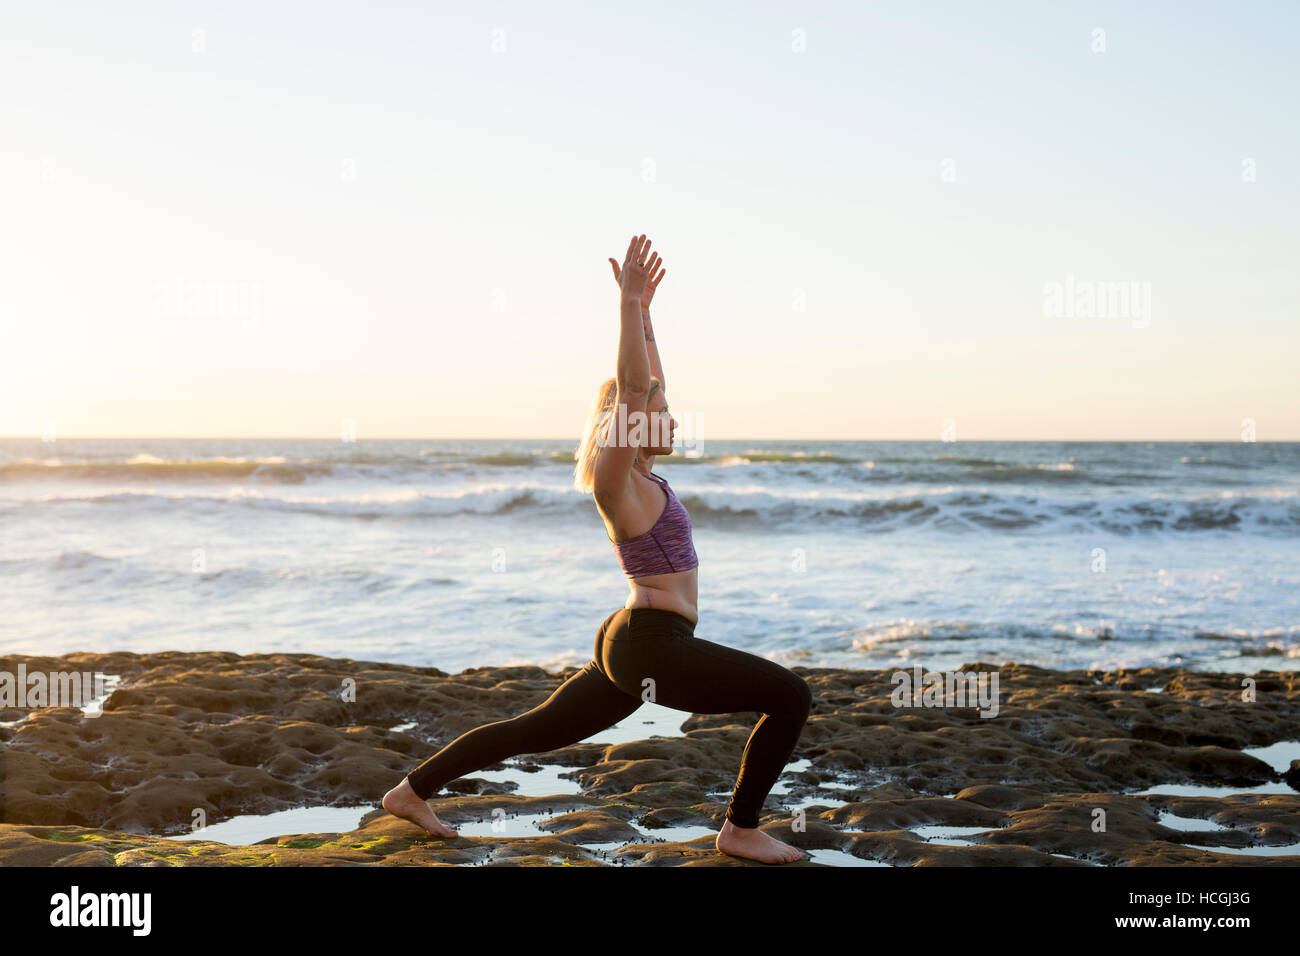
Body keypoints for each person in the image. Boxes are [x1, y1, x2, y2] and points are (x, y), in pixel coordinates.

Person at [383, 234, 813, 863]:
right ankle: (740, 828)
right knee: (791, 696)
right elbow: (636, 387)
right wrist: (626, 306)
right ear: (631, 420)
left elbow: (649, 379)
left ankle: (410, 791)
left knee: (535, 731)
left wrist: (645, 314)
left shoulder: (642, 476)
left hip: (636, 639)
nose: (671, 417)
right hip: (650, 645)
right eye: (660, 410)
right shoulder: (617, 483)